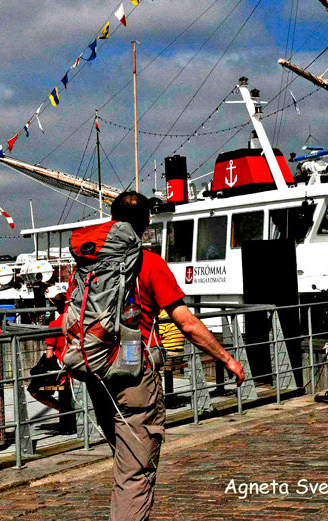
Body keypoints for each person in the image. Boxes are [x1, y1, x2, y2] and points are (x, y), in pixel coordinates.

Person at [82, 191, 244, 521]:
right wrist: (227, 359)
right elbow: (186, 323)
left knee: (125, 465)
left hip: (97, 370)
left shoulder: (89, 263)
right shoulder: (149, 263)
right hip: (134, 374)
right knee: (137, 471)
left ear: (112, 219)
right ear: (145, 225)